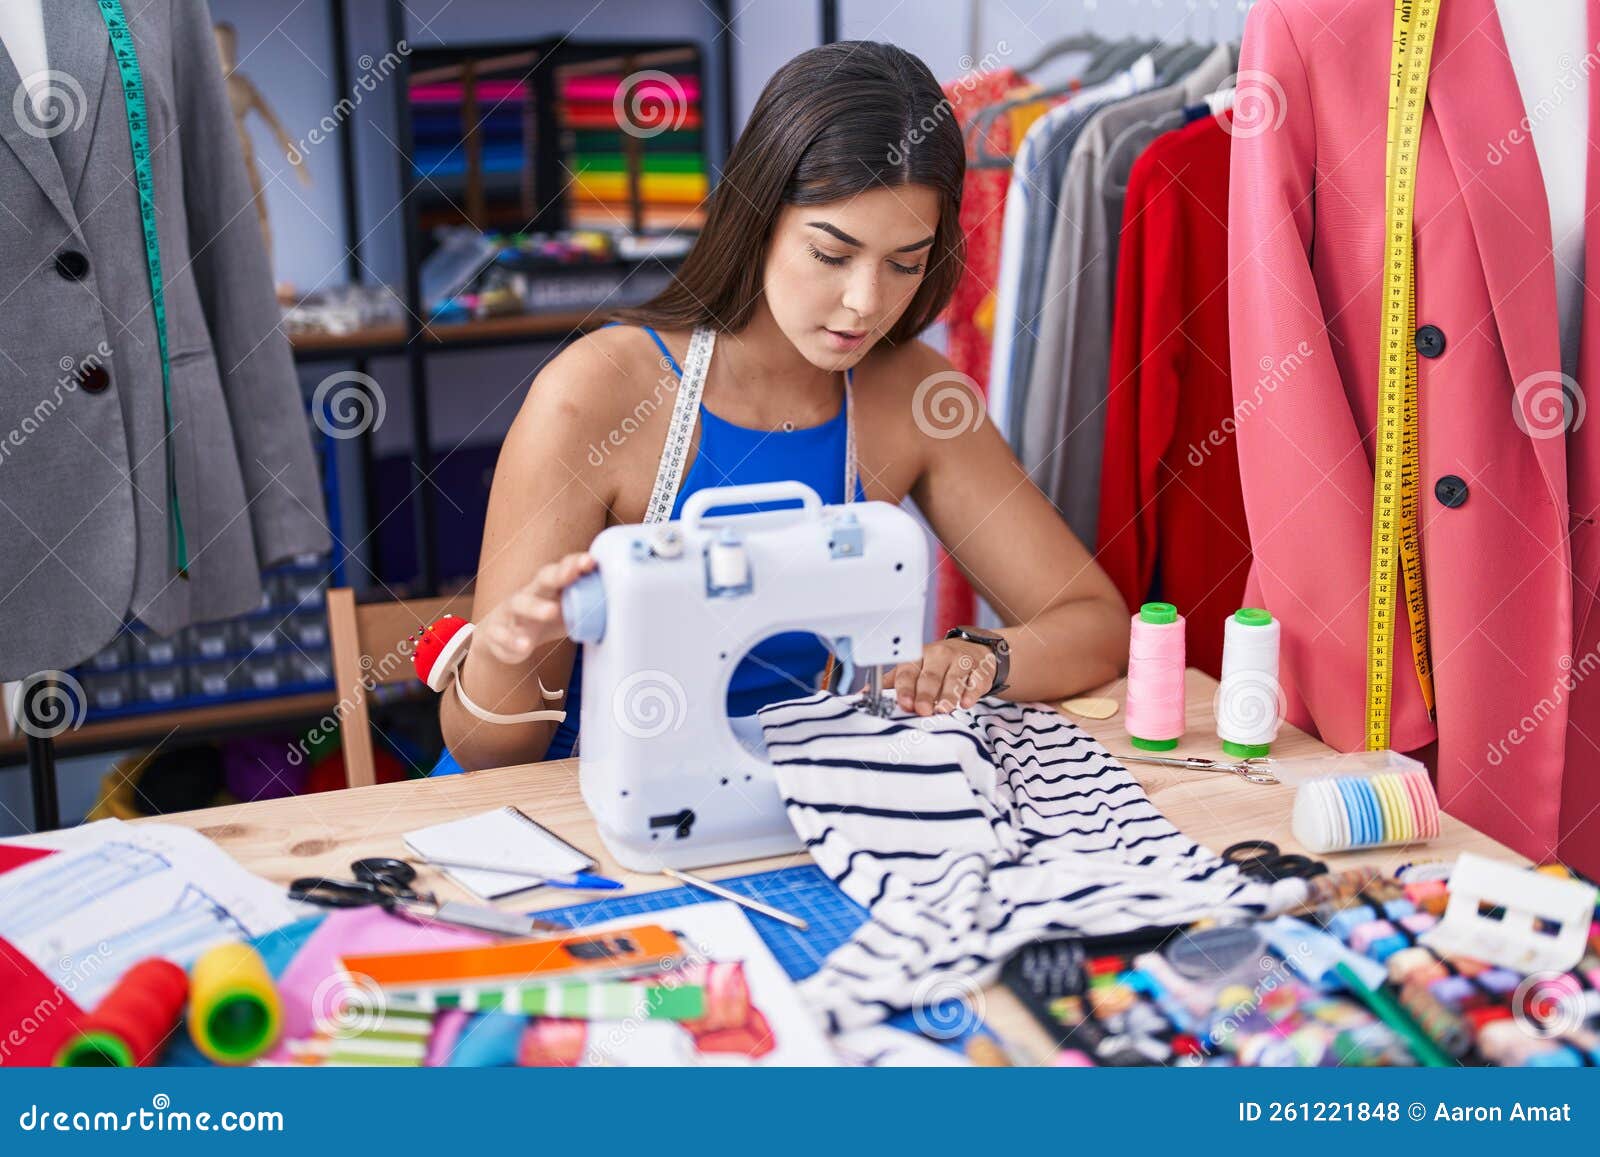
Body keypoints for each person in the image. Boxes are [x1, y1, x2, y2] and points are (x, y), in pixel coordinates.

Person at [438, 41, 1129, 773]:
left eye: (905, 263)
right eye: (832, 255)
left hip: (776, 798)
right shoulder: (594, 393)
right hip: (577, 803)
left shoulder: (918, 396)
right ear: (757, 218)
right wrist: (510, 658)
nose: (867, 303)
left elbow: (1094, 624)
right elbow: (486, 757)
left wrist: (980, 658)